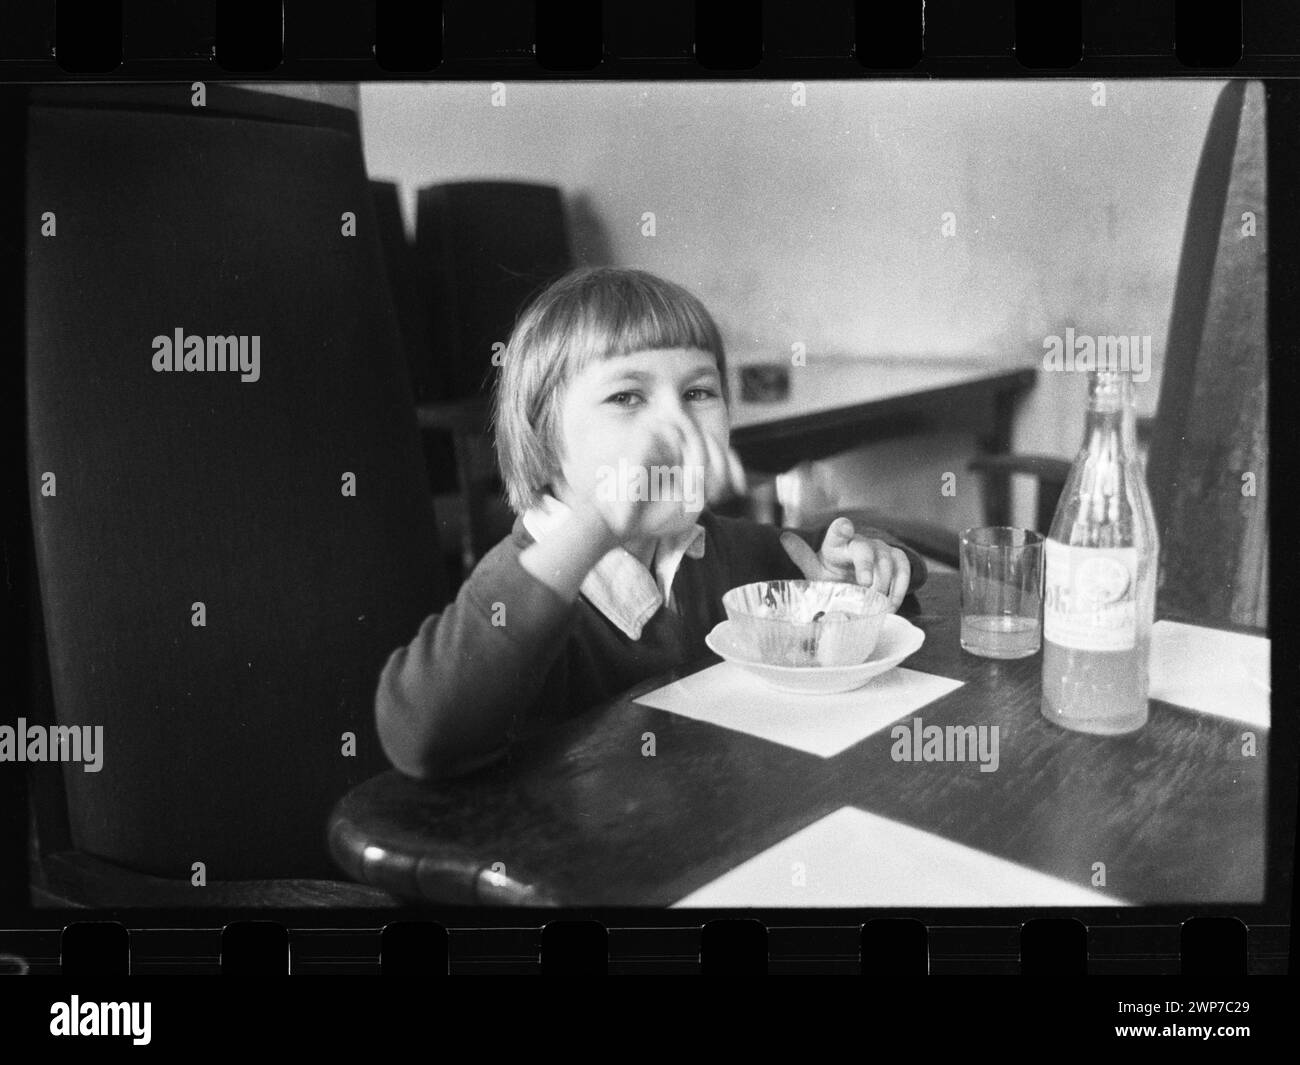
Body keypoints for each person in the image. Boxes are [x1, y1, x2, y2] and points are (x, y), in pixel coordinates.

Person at [376, 267, 927, 780]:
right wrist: (596, 525)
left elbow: (817, 558)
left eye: (698, 393)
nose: (675, 423)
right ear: (544, 442)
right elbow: (418, 734)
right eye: (626, 397)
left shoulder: (715, 549)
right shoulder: (523, 582)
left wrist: (857, 563)